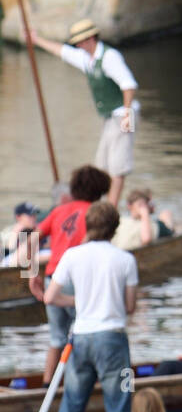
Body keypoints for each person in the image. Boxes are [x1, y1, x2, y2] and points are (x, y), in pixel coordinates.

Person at [41, 200, 138, 412]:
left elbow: (49, 297)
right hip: (113, 340)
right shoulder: (125, 260)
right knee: (120, 410)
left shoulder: (72, 255)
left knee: (71, 406)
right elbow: (130, 307)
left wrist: (78, 303)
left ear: (87, 226)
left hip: (80, 340)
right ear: (115, 228)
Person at [27, 19, 139, 208]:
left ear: (90, 39)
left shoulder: (110, 57)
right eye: (77, 43)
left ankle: (110, 210)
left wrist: (127, 116)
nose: (78, 45)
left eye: (81, 41)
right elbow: (62, 52)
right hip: (109, 117)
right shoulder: (87, 58)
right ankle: (97, 206)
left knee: (117, 167)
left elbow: (129, 85)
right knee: (101, 165)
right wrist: (36, 40)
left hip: (123, 114)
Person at [29, 165, 112, 384]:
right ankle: (85, 384)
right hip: (79, 282)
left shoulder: (59, 210)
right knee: (85, 334)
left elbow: (28, 241)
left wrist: (31, 274)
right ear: (99, 191)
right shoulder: (97, 214)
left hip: (53, 279)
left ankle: (47, 386)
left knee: (56, 338)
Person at [1, 202, 40, 267]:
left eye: (35, 215)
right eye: (30, 215)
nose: (34, 218)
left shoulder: (39, 230)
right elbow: (9, 252)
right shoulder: (7, 233)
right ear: (18, 217)